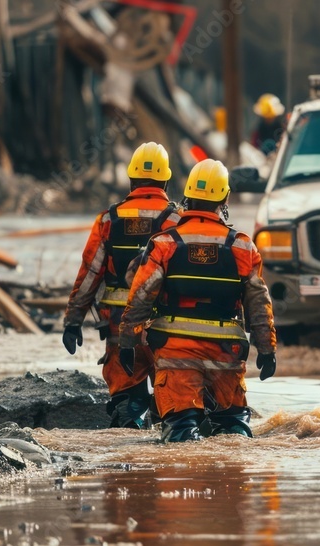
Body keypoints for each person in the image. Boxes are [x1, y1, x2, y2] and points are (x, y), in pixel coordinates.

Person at [118, 158, 277, 443]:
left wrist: (128, 342)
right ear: (226, 197)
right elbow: (258, 303)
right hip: (226, 355)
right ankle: (232, 482)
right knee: (233, 430)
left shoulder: (164, 243)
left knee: (180, 432)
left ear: (188, 196)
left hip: (175, 353)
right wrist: (267, 349)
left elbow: (140, 296)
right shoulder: (242, 246)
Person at [62, 142, 177, 429]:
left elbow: (90, 273)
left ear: (131, 179)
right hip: (164, 325)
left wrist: (73, 320)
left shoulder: (108, 220)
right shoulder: (178, 221)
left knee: (127, 397)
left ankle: (125, 460)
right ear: (165, 179)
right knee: (173, 399)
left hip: (117, 322)